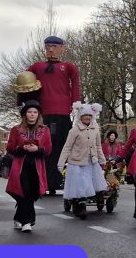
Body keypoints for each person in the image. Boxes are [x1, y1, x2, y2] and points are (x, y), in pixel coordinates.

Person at [28, 36, 81, 196]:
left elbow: (76, 86)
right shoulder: (36, 67)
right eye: (48, 46)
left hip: (62, 113)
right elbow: (25, 84)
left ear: (61, 48)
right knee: (42, 148)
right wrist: (27, 105)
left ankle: (59, 181)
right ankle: (41, 182)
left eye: (54, 46)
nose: (50, 49)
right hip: (42, 114)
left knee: (61, 148)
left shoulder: (69, 67)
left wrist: (76, 104)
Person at [6, 100, 51, 232]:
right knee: (23, 191)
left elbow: (48, 149)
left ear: (39, 115)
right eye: (29, 112)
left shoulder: (45, 130)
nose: (32, 114)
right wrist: (21, 147)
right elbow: (10, 147)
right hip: (21, 166)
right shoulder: (15, 129)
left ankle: (18, 217)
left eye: (35, 112)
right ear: (25, 114)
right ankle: (27, 222)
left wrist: (37, 148)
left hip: (37, 166)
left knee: (32, 193)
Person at [58, 102, 108, 219]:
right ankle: (79, 207)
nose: (87, 117)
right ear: (80, 116)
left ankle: (92, 200)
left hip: (91, 162)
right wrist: (61, 163)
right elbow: (67, 147)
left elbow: (98, 146)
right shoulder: (74, 130)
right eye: (85, 115)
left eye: (90, 115)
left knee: (89, 185)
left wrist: (102, 159)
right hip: (77, 162)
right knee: (79, 186)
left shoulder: (95, 129)